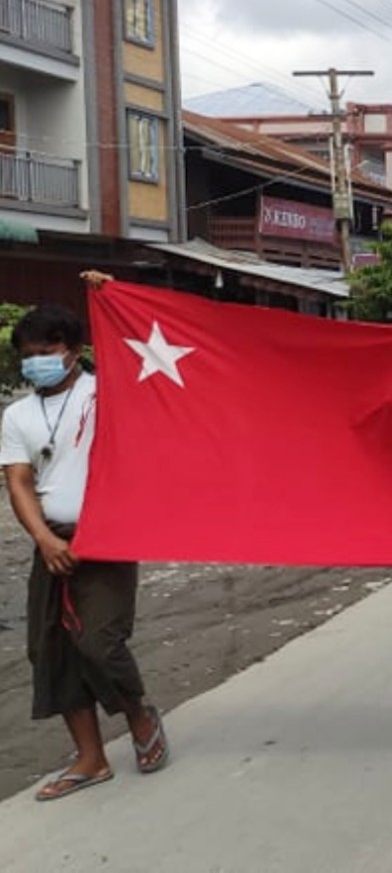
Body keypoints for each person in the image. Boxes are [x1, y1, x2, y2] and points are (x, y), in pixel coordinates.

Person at [2, 290, 170, 802]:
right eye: (28, 354)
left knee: (98, 641)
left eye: (46, 351)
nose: (37, 362)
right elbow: (19, 483)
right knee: (49, 650)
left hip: (108, 534)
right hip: (52, 539)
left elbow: (164, 393)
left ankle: (141, 720)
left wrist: (108, 293)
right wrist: (45, 539)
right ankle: (90, 757)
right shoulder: (16, 416)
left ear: (74, 350)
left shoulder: (108, 395)